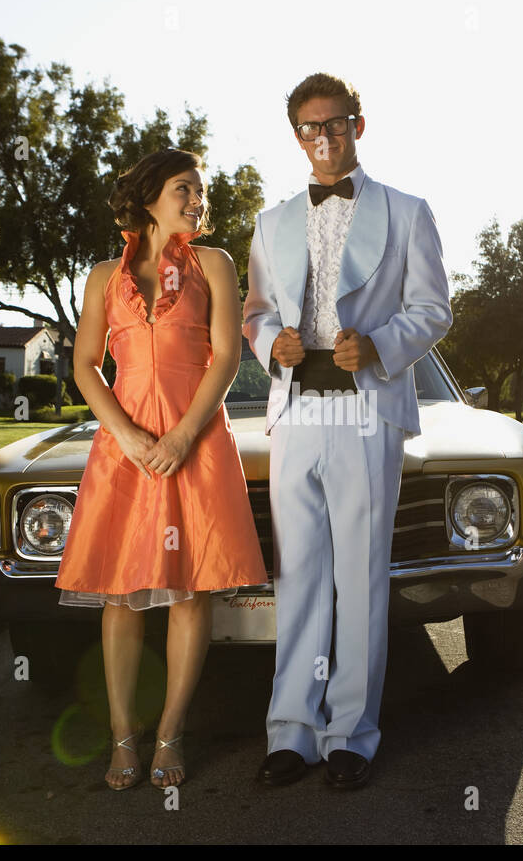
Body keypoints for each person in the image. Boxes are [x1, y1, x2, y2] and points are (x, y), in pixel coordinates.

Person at [242, 73, 452, 790]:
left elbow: (433, 309)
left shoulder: (408, 212)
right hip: (297, 408)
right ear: (296, 134)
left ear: (359, 125)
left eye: (335, 123)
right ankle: (290, 730)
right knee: (298, 574)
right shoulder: (270, 223)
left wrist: (385, 345)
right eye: (309, 127)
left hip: (367, 408)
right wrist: (273, 340)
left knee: (360, 575)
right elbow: (256, 312)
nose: (323, 137)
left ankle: (352, 735)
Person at [55, 148, 268, 791]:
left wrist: (179, 436)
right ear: (150, 197)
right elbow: (86, 365)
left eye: (199, 189)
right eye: (184, 187)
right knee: (119, 596)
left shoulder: (215, 265)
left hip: (196, 442)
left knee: (189, 591)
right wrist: (125, 434)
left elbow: (227, 358)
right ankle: (124, 737)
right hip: (124, 451)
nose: (197, 198)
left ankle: (171, 730)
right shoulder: (101, 276)